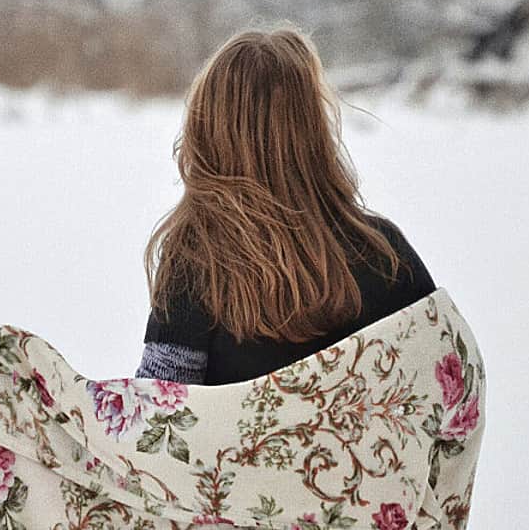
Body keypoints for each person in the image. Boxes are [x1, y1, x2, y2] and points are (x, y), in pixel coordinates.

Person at [135, 22, 437, 386]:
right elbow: (441, 397)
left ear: (208, 132)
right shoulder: (385, 251)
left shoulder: (198, 262)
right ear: (313, 131)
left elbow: (161, 413)